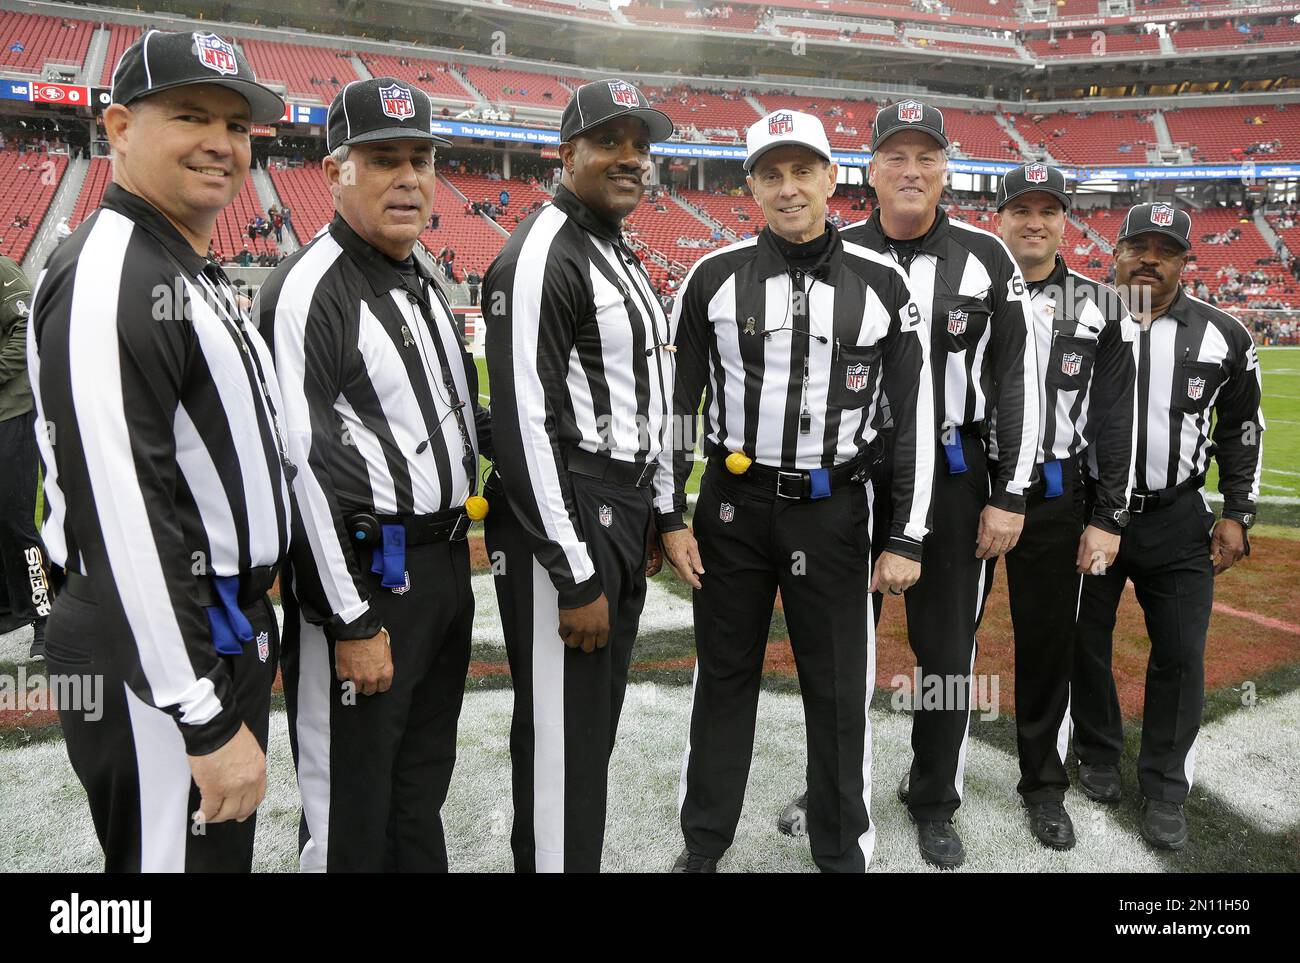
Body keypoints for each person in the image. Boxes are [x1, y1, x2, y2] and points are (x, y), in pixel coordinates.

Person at [29, 29, 290, 872]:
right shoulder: (114, 270)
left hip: (205, 627)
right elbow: (124, 510)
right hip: (155, 643)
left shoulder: (180, 260)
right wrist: (201, 712)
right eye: (190, 115)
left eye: (237, 124)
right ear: (117, 129)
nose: (221, 142)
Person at [661, 111, 934, 873]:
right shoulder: (711, 275)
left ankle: (842, 851)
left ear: (831, 177)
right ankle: (703, 842)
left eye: (803, 170)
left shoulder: (886, 283)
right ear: (750, 184)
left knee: (840, 690)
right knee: (723, 678)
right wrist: (668, 510)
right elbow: (681, 408)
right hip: (732, 508)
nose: (789, 188)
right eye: (771, 173)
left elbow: (912, 414)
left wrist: (907, 532)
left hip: (833, 509)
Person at [778, 100, 1038, 869]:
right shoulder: (831, 250)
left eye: (926, 157)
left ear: (947, 169)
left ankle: (932, 796)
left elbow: (1019, 380)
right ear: (870, 169)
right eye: (896, 156)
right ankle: (833, 792)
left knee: (947, 656)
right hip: (853, 478)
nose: (912, 170)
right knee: (836, 654)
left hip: (957, 479)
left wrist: (1011, 491)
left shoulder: (988, 258)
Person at [256, 78, 489, 873]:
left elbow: (454, 420)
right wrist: (348, 620)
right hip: (367, 578)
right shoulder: (308, 288)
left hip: (443, 569)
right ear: (335, 170)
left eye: (420, 159)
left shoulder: (419, 277)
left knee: (419, 788)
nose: (409, 178)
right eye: (383, 159)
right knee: (348, 806)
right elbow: (300, 468)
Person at [481, 79, 675, 873]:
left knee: (587, 727)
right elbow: (524, 424)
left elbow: (650, 395)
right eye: (609, 142)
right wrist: (572, 567)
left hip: (618, 504)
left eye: (641, 145)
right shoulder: (541, 253)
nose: (630, 158)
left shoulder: (611, 248)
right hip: (573, 509)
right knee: (562, 734)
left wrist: (656, 511)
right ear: (566, 155)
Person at [1071, 203, 1264, 852]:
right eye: (1138, 245)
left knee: (1180, 655)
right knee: (1084, 641)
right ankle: (1096, 752)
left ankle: (1163, 785)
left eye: (1166, 249)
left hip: (1176, 520)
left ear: (1186, 260)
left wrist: (1238, 509)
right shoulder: (1079, 318)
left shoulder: (1224, 334)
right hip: (1093, 518)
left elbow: (1241, 427)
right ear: (1116, 250)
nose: (1150, 258)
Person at [991, 164, 1138, 850]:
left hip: (1055, 495)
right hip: (976, 490)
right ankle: (934, 774)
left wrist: (1108, 515)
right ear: (999, 215)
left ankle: (1043, 784)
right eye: (1021, 207)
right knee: (943, 638)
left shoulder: (1104, 305)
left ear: (1064, 221)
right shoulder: (972, 287)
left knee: (1049, 645)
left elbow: (1114, 420)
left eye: (1047, 210)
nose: (1034, 220)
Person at [0, 254, 51, 657]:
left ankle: (44, 615)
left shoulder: (3, 269)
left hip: (10, 411)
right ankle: (8, 608)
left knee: (15, 516)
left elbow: (25, 329)